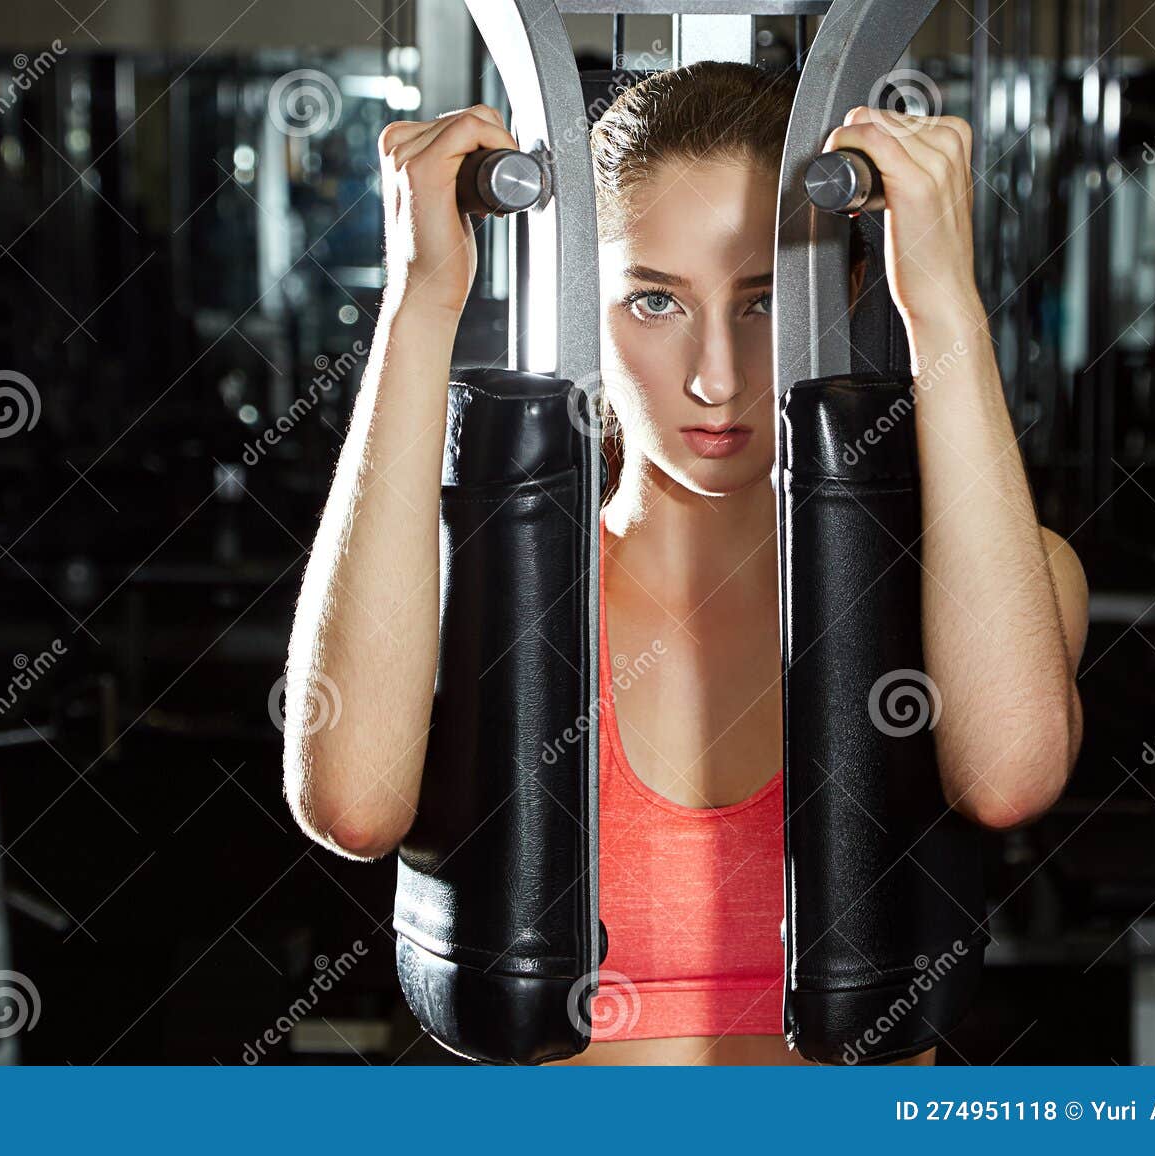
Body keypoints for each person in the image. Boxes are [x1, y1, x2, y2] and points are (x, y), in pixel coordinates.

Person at [282, 60, 1090, 1066]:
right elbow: (350, 805)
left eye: (758, 302)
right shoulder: (490, 596)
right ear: (584, 296)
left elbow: (1009, 775)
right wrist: (418, 304)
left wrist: (941, 309)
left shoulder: (966, 583)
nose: (715, 376)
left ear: (843, 285)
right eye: (654, 303)